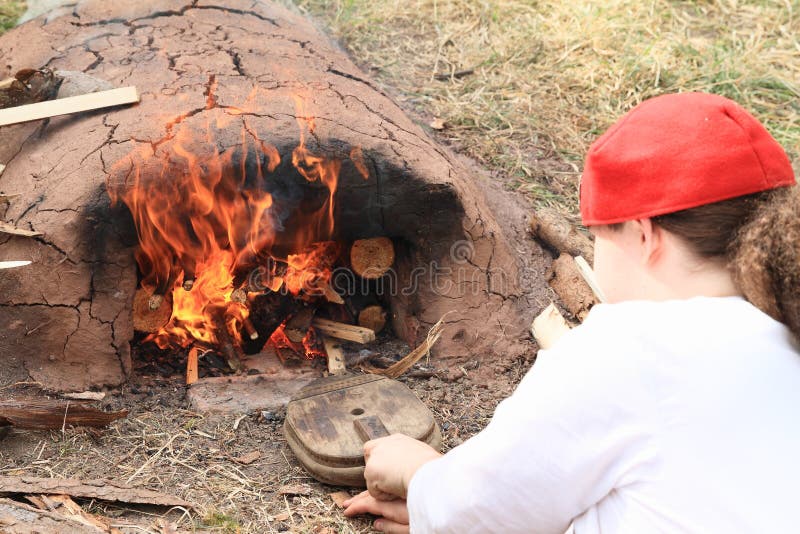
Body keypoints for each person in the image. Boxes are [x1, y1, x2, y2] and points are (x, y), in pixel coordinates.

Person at [341, 92, 800, 533]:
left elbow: (471, 511)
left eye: (598, 235)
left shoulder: (630, 349)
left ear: (644, 237)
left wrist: (418, 472)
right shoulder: (783, 331)